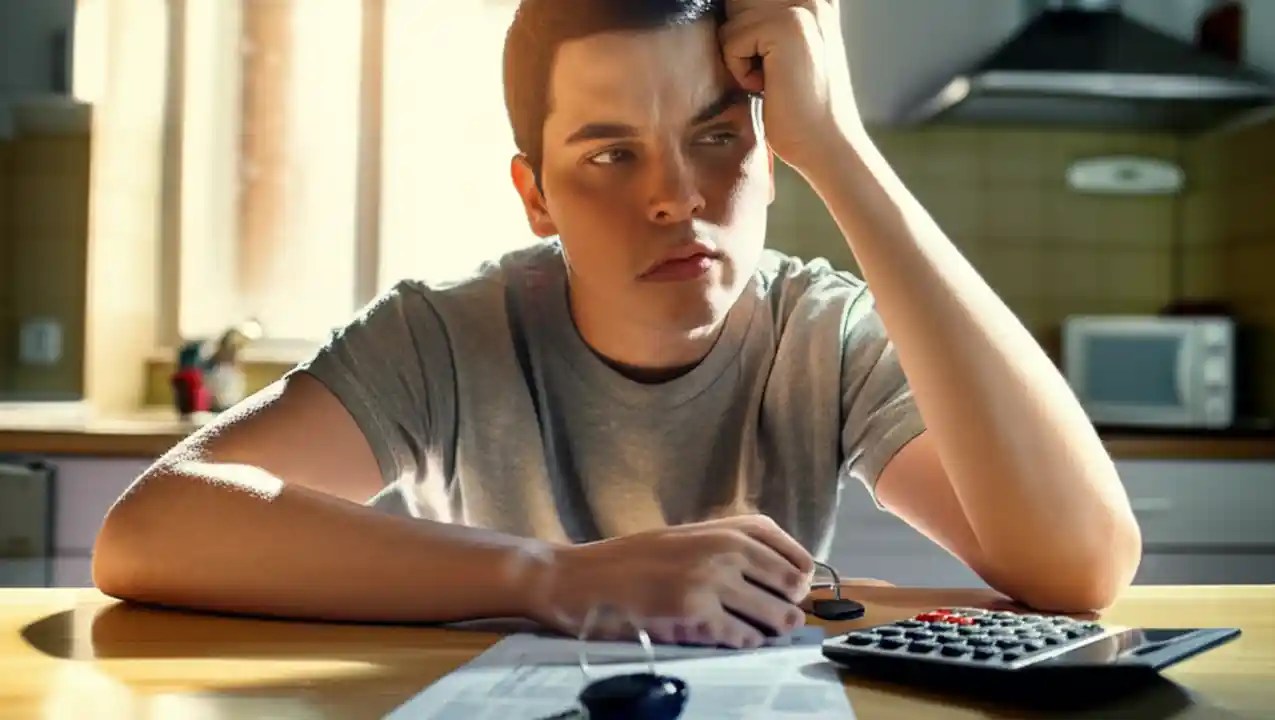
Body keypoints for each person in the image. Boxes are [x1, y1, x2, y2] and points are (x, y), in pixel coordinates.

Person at [92, 0, 1141, 650]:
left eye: (716, 137)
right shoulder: (444, 334)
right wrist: (558, 578)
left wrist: (842, 152)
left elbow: (1078, 567)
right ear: (534, 196)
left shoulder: (817, 330)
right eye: (608, 154)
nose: (673, 198)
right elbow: (150, 532)